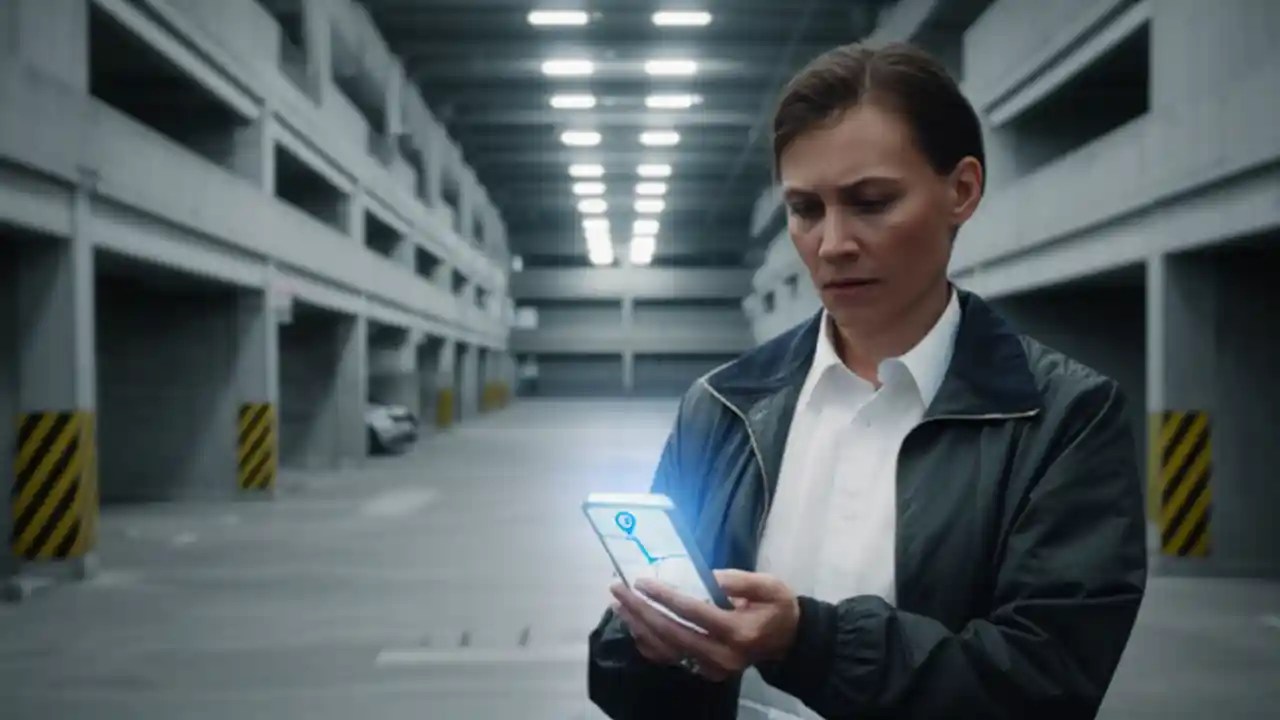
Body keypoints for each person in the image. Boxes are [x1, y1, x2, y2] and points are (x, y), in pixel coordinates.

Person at [587, 41, 1147, 720]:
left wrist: (808, 642)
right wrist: (642, 644)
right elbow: (631, 681)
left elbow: (1042, 687)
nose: (832, 244)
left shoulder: (1064, 419)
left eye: (872, 202)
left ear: (962, 190)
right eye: (805, 210)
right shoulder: (725, 406)